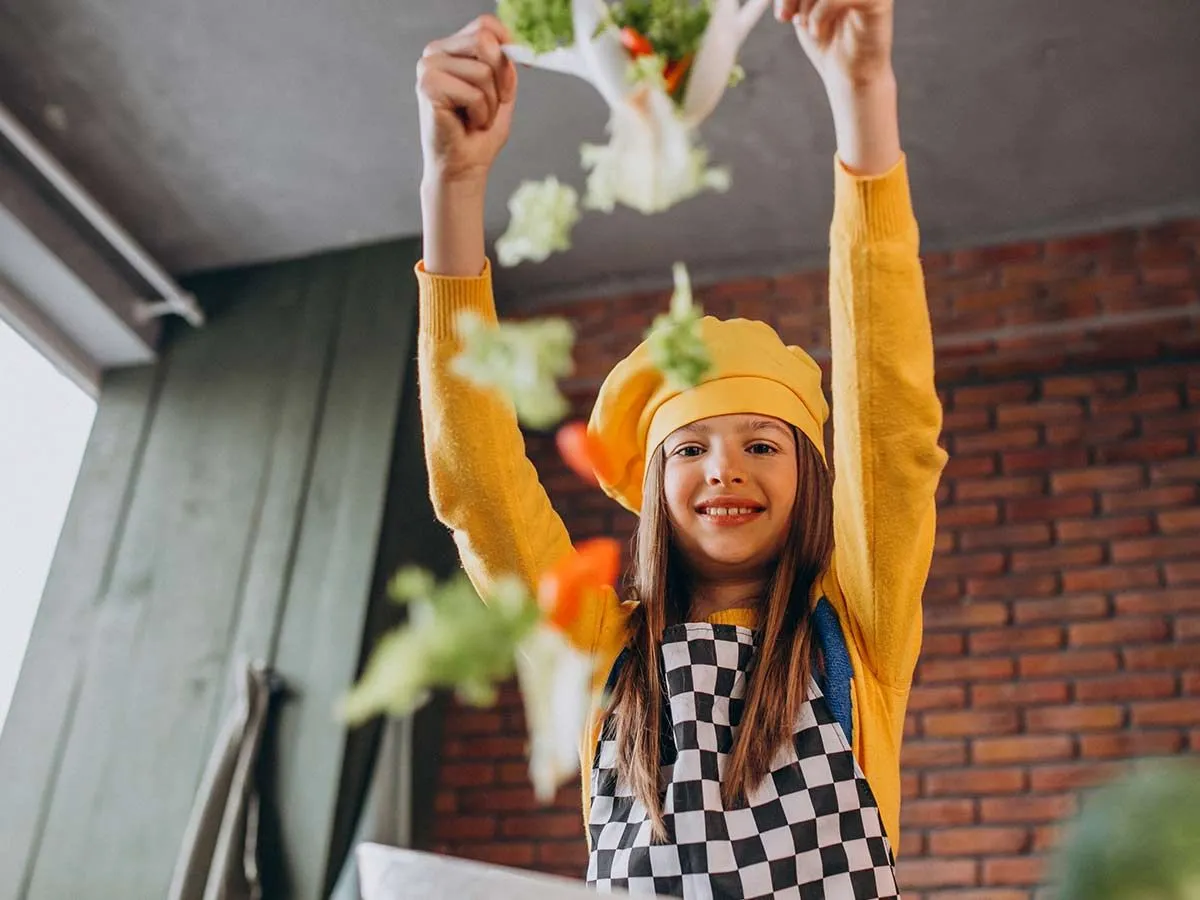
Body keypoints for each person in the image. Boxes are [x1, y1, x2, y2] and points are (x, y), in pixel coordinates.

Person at [414, 0, 946, 896]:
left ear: (814, 479)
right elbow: (480, 486)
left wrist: (863, 97)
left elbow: (890, 415)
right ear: (654, 484)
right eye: (688, 449)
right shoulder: (597, 647)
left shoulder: (857, 625)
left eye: (763, 446)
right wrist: (451, 190)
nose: (723, 470)